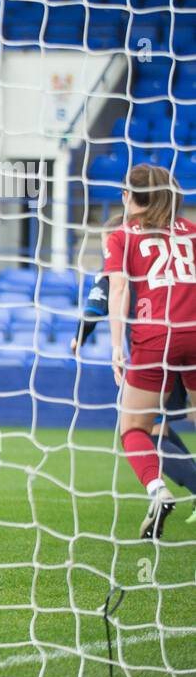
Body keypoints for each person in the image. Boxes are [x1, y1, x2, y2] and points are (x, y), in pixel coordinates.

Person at [106, 164, 196, 539]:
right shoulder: (192, 232)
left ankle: (157, 489)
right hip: (194, 330)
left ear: (128, 197)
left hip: (155, 336)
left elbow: (120, 291)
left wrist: (116, 348)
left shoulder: (121, 236)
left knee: (133, 427)